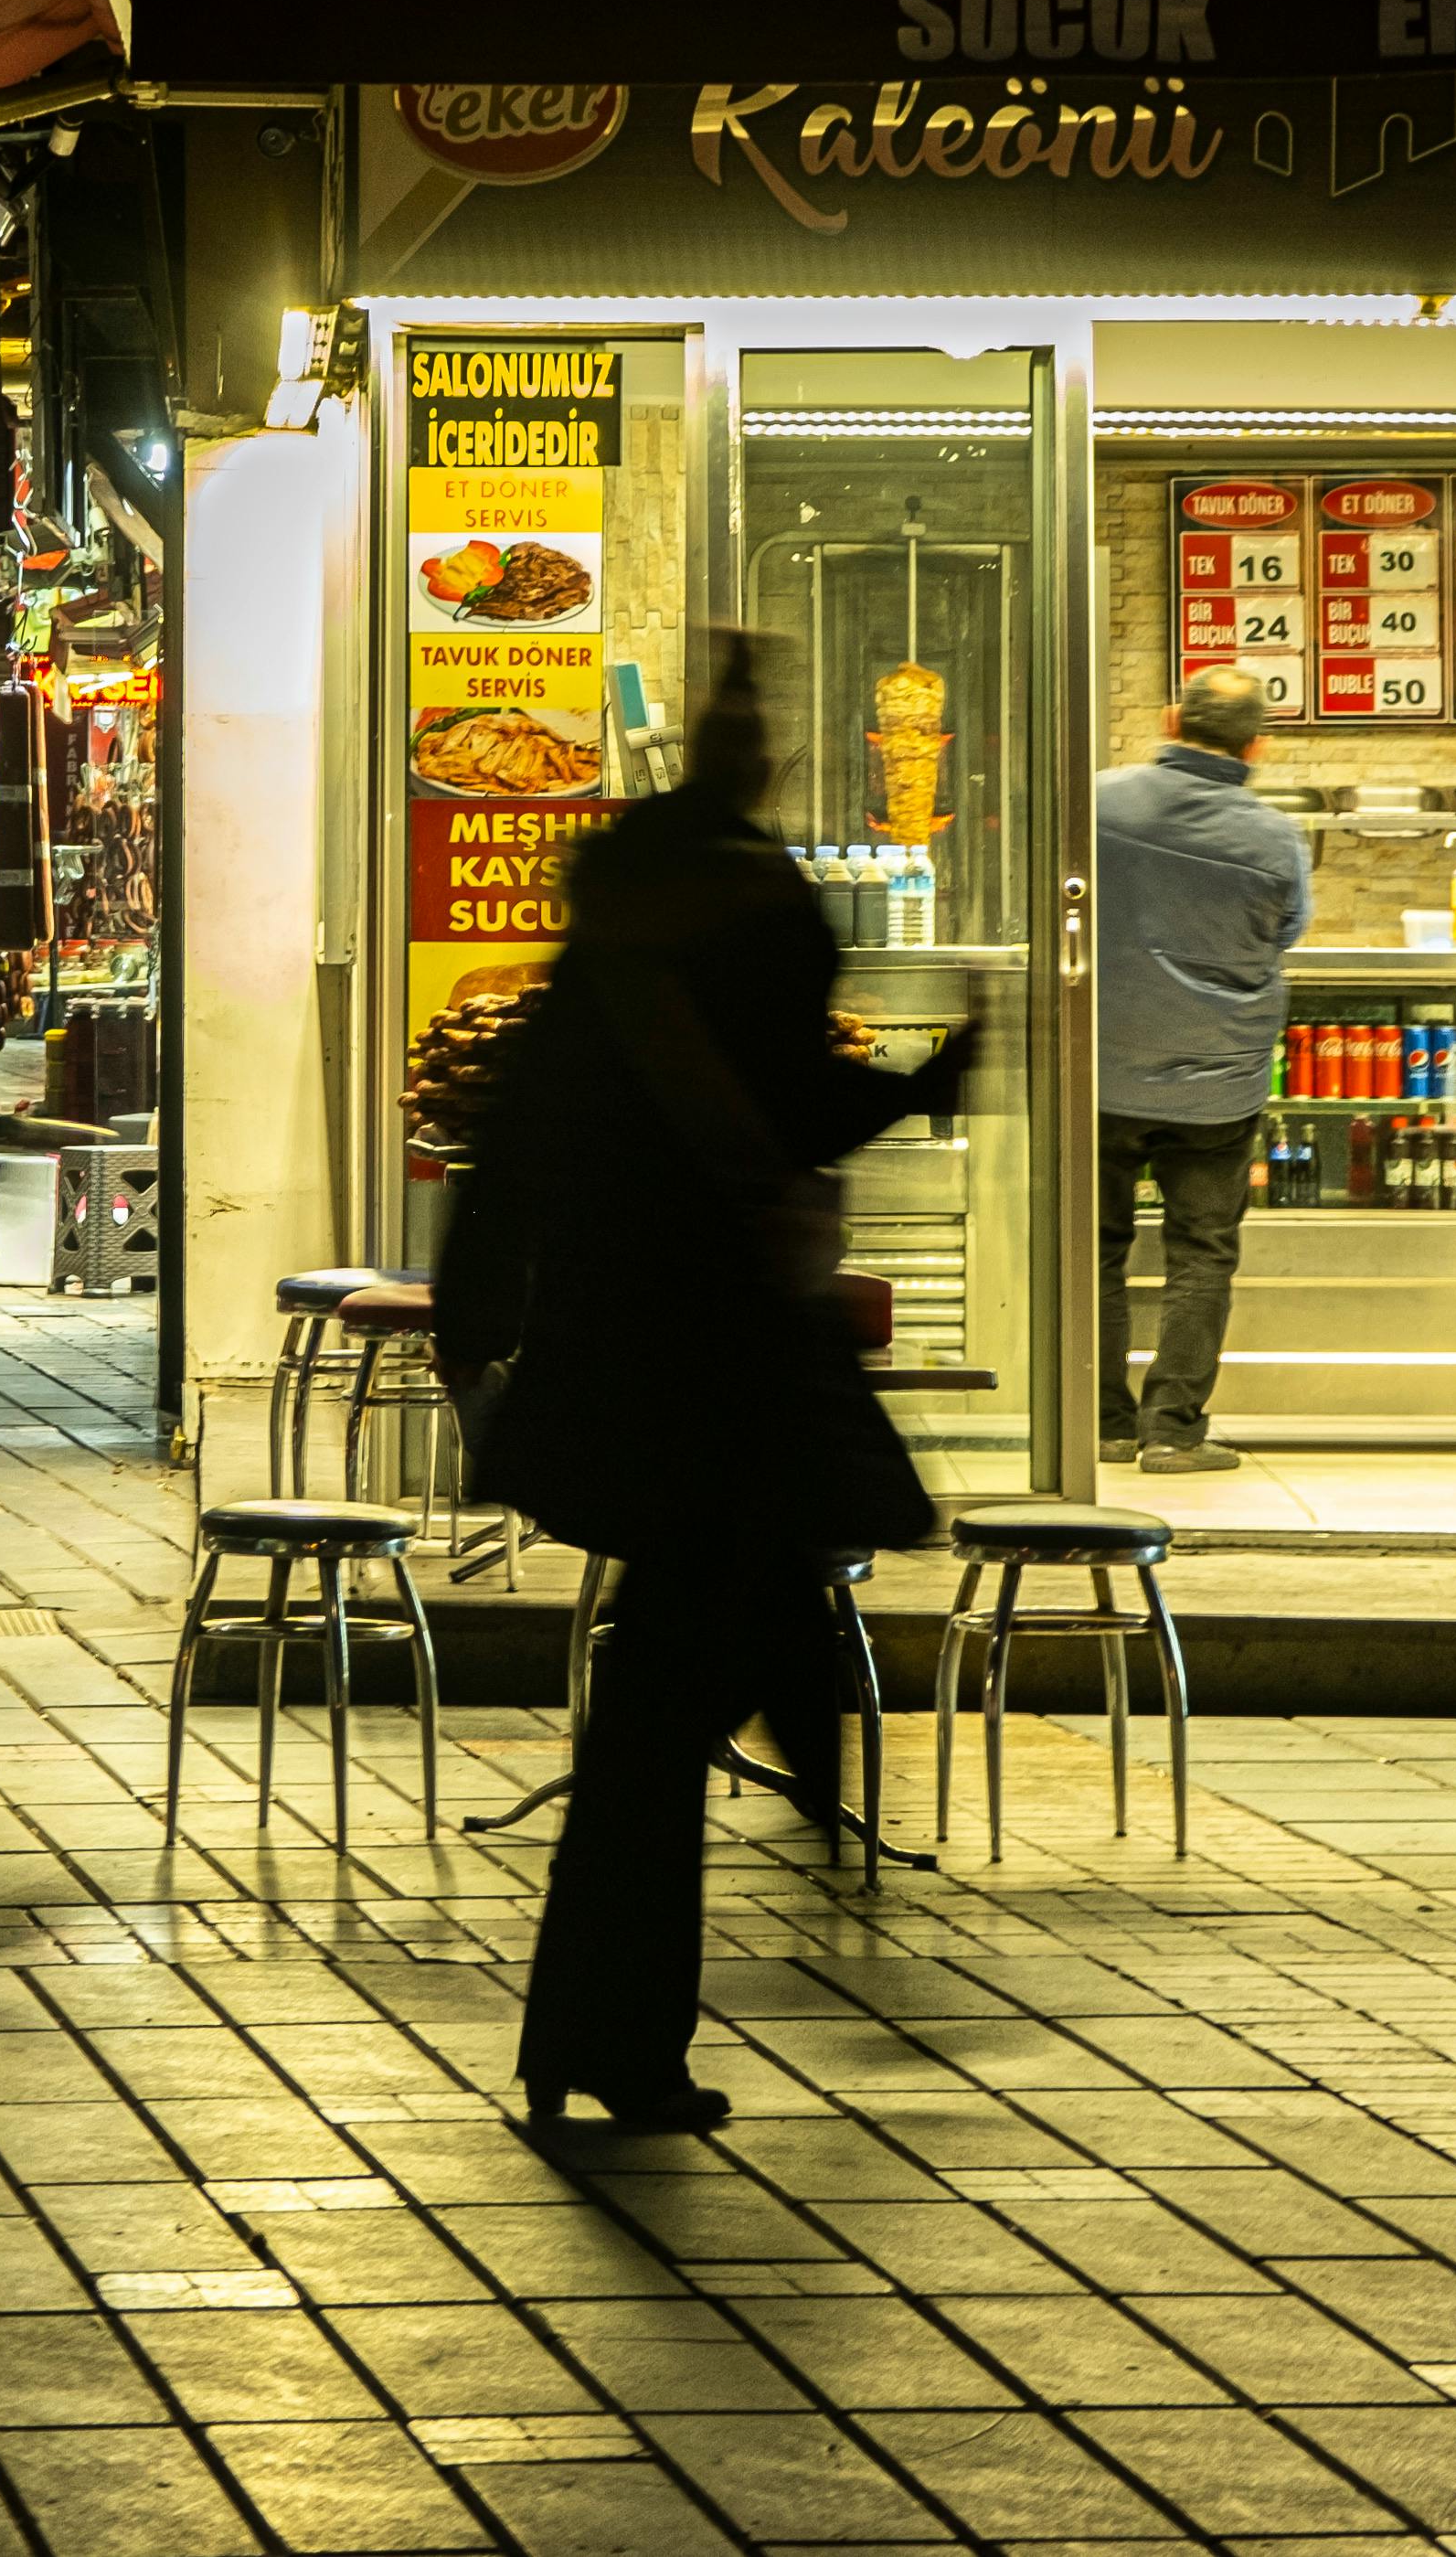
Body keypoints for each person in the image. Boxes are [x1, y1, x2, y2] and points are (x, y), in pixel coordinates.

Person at [446, 634, 979, 2136]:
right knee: (679, 1682)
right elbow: (793, 1097)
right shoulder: (733, 906)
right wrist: (918, 1089)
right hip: (719, 1370)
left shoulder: (616, 952)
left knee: (661, 1691)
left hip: (631, 1372)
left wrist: (476, 1326)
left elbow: (512, 1154)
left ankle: (599, 2029)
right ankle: (620, 2022)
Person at [1092, 665, 1310, 1474]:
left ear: (1167, 718)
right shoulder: (1275, 837)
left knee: (1094, 1248)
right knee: (1201, 1252)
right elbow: (1285, 928)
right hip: (1218, 1083)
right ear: (1257, 745)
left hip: (1101, 1069)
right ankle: (1171, 1432)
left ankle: (1102, 1425)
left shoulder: (1097, 801)